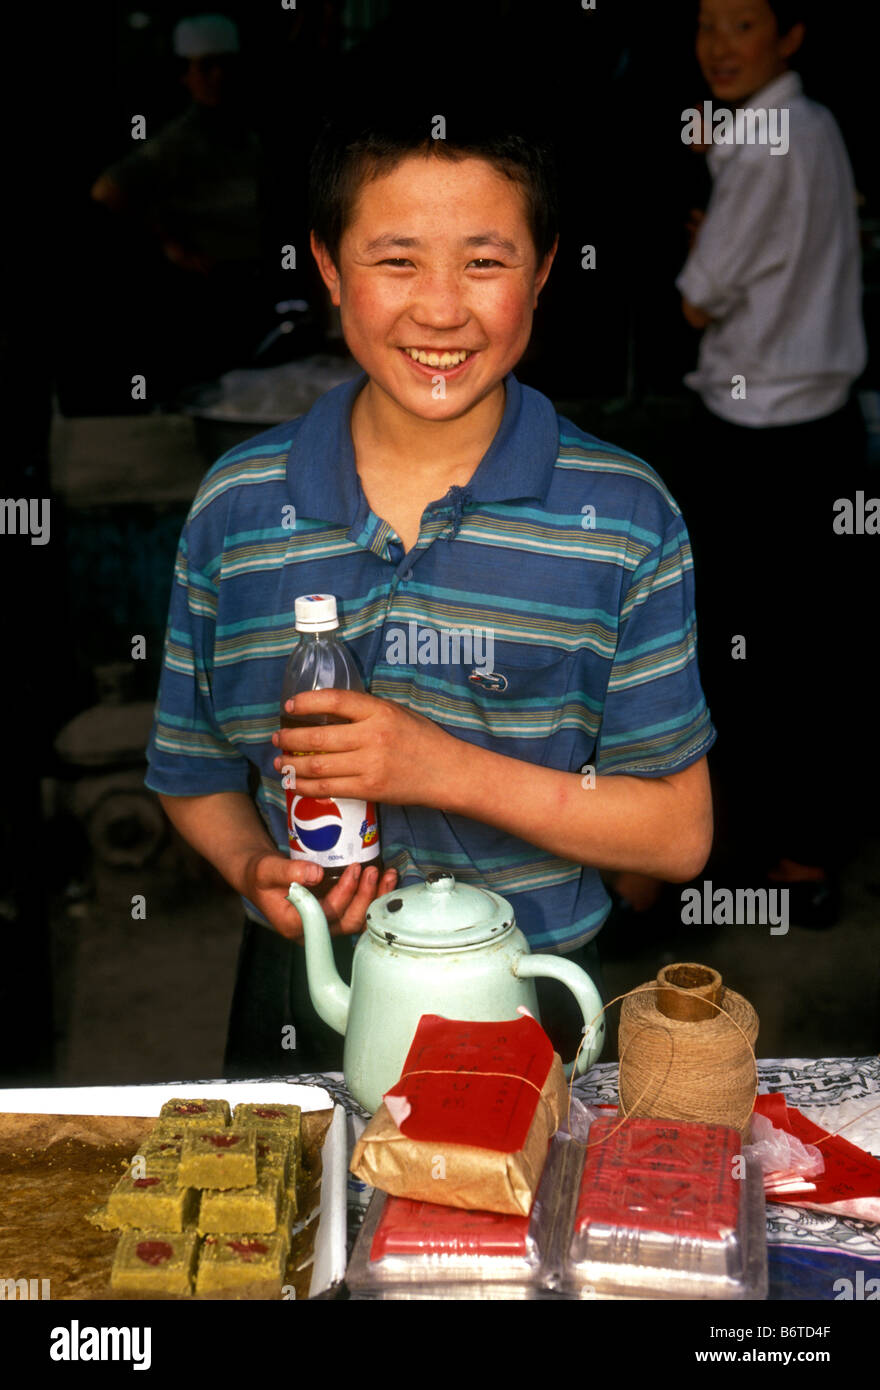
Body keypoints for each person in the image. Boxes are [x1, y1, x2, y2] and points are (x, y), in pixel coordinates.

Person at [145, 110, 715, 1076]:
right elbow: (192, 769)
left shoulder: (621, 517)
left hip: (535, 985)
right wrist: (254, 868)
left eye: (485, 264)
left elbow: (676, 834)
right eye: (397, 262)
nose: (441, 310)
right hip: (303, 980)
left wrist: (437, 767)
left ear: (542, 271)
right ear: (328, 268)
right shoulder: (238, 507)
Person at [673, 0, 868, 924]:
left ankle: (766, 863)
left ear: (790, 35)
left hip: (760, 437)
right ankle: (807, 852)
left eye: (743, 25)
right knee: (813, 641)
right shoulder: (816, 124)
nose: (719, 45)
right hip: (821, 429)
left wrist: (702, 243)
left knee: (747, 650)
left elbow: (698, 300)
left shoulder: (766, 136)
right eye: (709, 24)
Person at [91, 14, 266, 393]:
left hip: (251, 283)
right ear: (185, 76)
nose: (216, 77)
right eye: (204, 68)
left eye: (224, 66)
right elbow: (108, 191)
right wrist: (170, 243)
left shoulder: (249, 136)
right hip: (203, 291)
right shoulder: (180, 142)